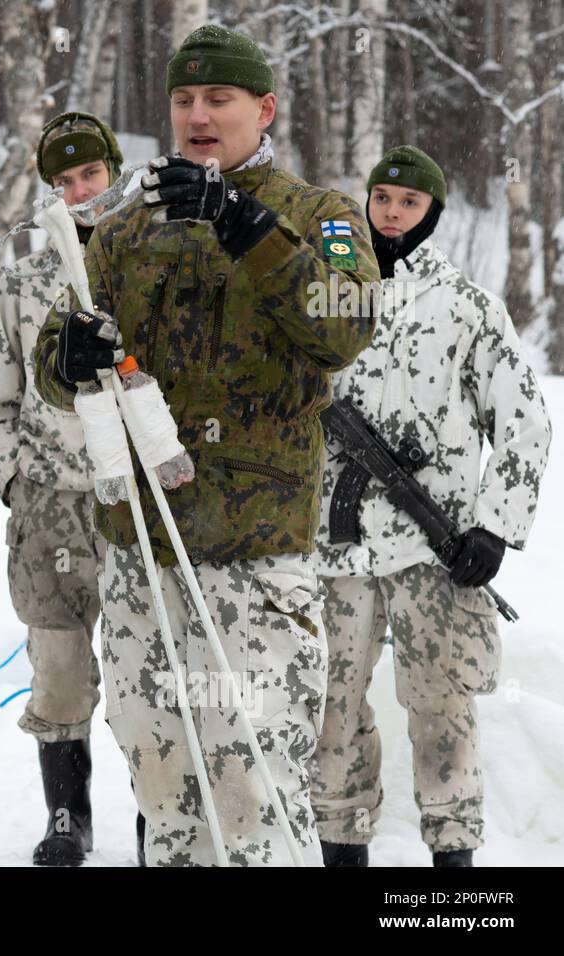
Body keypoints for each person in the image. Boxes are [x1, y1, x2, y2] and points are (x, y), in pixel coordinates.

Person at [33, 24, 379, 865]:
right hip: (144, 555)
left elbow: (345, 325)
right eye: (184, 100)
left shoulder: (317, 217)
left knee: (252, 787)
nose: (198, 115)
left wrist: (244, 225)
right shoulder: (125, 229)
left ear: (263, 109)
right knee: (162, 783)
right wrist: (66, 357)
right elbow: (55, 350)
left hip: (253, 559)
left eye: (218, 99)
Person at [311, 145, 552, 867]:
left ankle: (453, 867)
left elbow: (524, 419)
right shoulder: (328, 294)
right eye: (382, 198)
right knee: (334, 704)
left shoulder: (467, 307)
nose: (391, 213)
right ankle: (339, 846)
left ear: (433, 214)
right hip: (337, 545)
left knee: (441, 708)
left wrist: (495, 528)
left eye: (409, 203)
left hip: (431, 548)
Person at [0, 111, 145, 866]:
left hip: (138, 509)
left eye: (90, 175)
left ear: (115, 168)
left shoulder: (152, 261)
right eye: (63, 181)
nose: (77, 192)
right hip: (50, 512)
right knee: (60, 670)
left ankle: (156, 817)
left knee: (147, 673)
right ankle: (67, 815)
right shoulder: (27, 278)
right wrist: (20, 487)